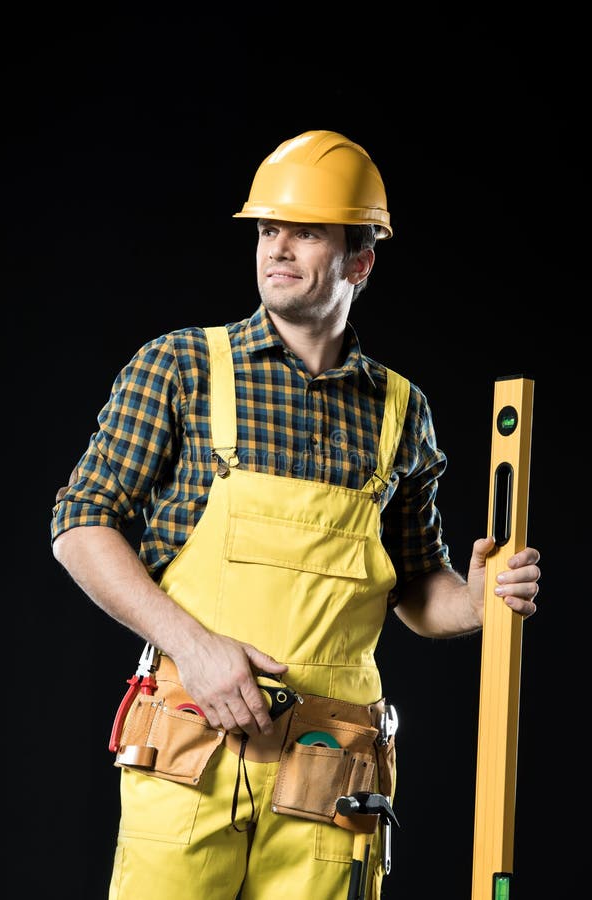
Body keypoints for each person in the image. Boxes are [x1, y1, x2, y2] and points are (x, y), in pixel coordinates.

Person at [51, 129, 540, 900]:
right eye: (267, 230)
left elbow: (417, 589)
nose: (276, 248)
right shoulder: (181, 367)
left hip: (329, 770)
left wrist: (477, 600)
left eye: (305, 232)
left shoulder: (400, 411)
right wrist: (193, 647)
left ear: (359, 261)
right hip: (194, 748)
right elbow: (80, 522)